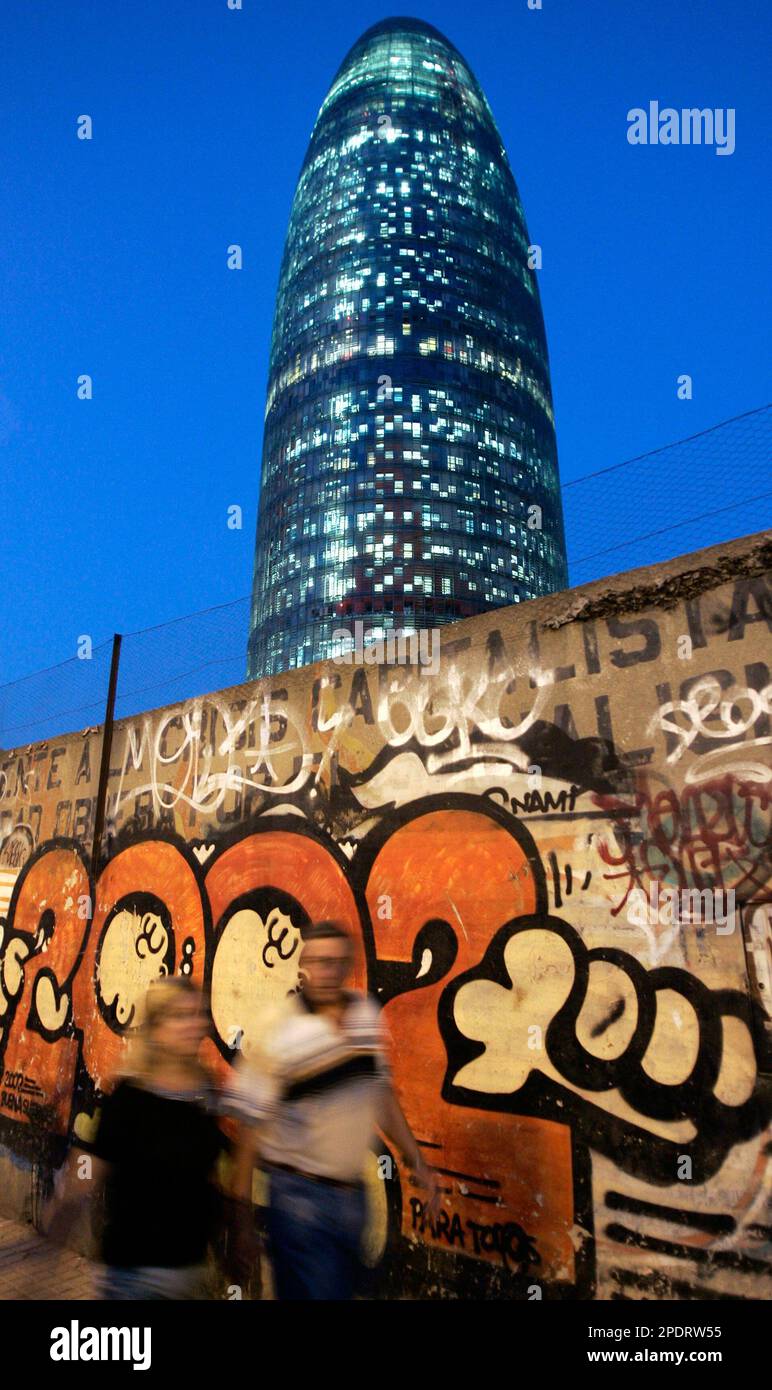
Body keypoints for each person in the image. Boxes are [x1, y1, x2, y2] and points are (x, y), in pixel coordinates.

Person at [224, 920, 439, 1300]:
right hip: (297, 1200)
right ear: (304, 964)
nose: (328, 971)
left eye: (338, 962)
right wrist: (240, 1219)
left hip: (352, 1197)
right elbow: (250, 1127)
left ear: (349, 964)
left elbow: (380, 1095)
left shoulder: (364, 1015)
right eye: (320, 961)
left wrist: (416, 1160)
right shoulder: (277, 1027)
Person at [44, 976, 230, 1300]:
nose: (195, 1025)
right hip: (134, 1273)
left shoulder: (205, 1091)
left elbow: (207, 1170)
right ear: (156, 1028)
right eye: (180, 1016)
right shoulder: (130, 1098)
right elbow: (91, 1164)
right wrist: (65, 1202)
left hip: (190, 1269)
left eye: (198, 1014)